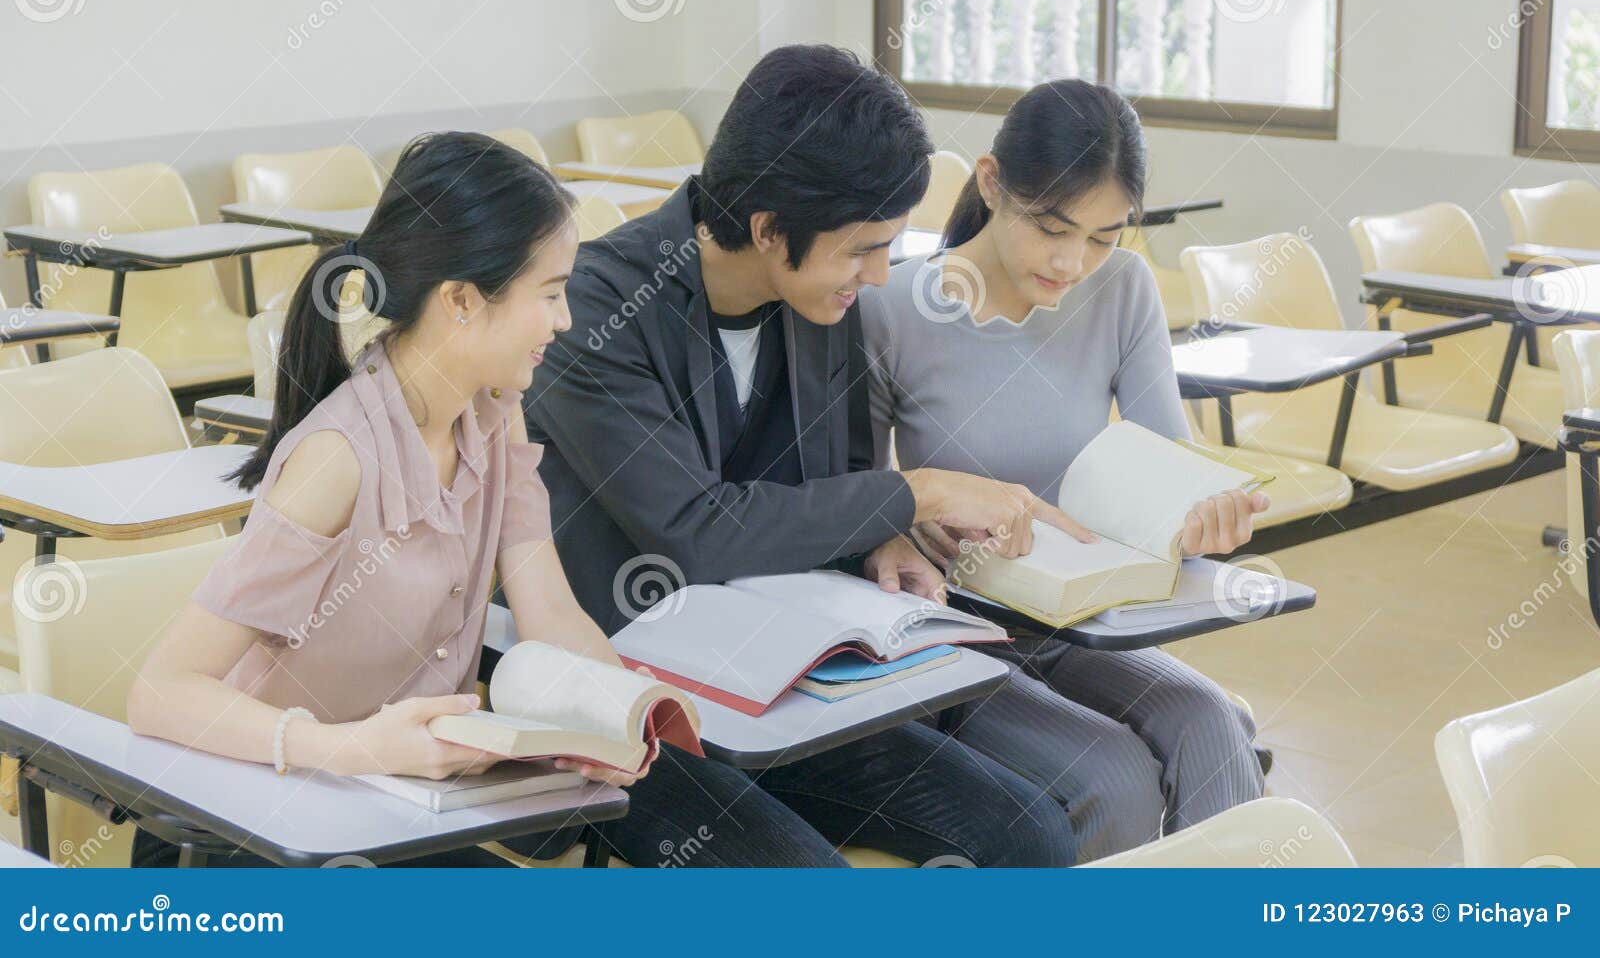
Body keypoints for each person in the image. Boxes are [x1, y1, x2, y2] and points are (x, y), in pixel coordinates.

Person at [523, 44, 1079, 867]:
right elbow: (695, 531)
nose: (882, 275)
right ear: (769, 229)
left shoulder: (819, 294)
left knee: (1028, 833)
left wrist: (880, 536)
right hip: (637, 700)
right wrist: (912, 495)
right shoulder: (598, 308)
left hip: (789, 681)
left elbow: (839, 475)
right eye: (864, 248)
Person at [127, 132, 634, 867]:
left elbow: (549, 610)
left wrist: (620, 712)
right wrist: (348, 747)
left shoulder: (496, 415)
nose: (565, 321)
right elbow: (159, 692)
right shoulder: (336, 460)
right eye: (551, 296)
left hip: (386, 810)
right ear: (461, 300)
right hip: (251, 827)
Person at [862, 79, 1271, 862]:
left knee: (1213, 727)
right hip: (963, 626)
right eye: (1052, 227)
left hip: (1083, 620)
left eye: (1103, 236)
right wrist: (899, 521)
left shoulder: (1123, 289)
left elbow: (1168, 467)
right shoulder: (897, 305)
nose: (1072, 260)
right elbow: (855, 491)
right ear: (990, 183)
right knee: (1112, 776)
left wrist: (1202, 515)